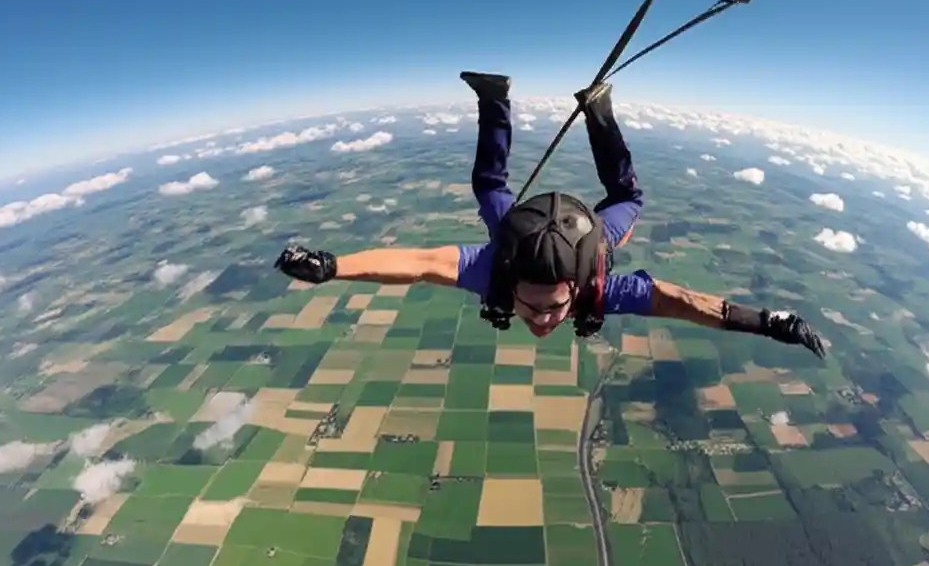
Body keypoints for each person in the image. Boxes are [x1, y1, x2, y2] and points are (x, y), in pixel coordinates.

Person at [274, 71, 826, 359]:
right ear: (513, 285)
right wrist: (332, 265)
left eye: (550, 309)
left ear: (573, 288)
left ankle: (574, 107)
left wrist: (770, 323)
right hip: (536, 230)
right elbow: (418, 261)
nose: (541, 321)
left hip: (582, 234)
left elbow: (686, 302)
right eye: (536, 311)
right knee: (501, 188)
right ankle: (529, 101)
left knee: (619, 197)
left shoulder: (593, 280)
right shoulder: (502, 264)